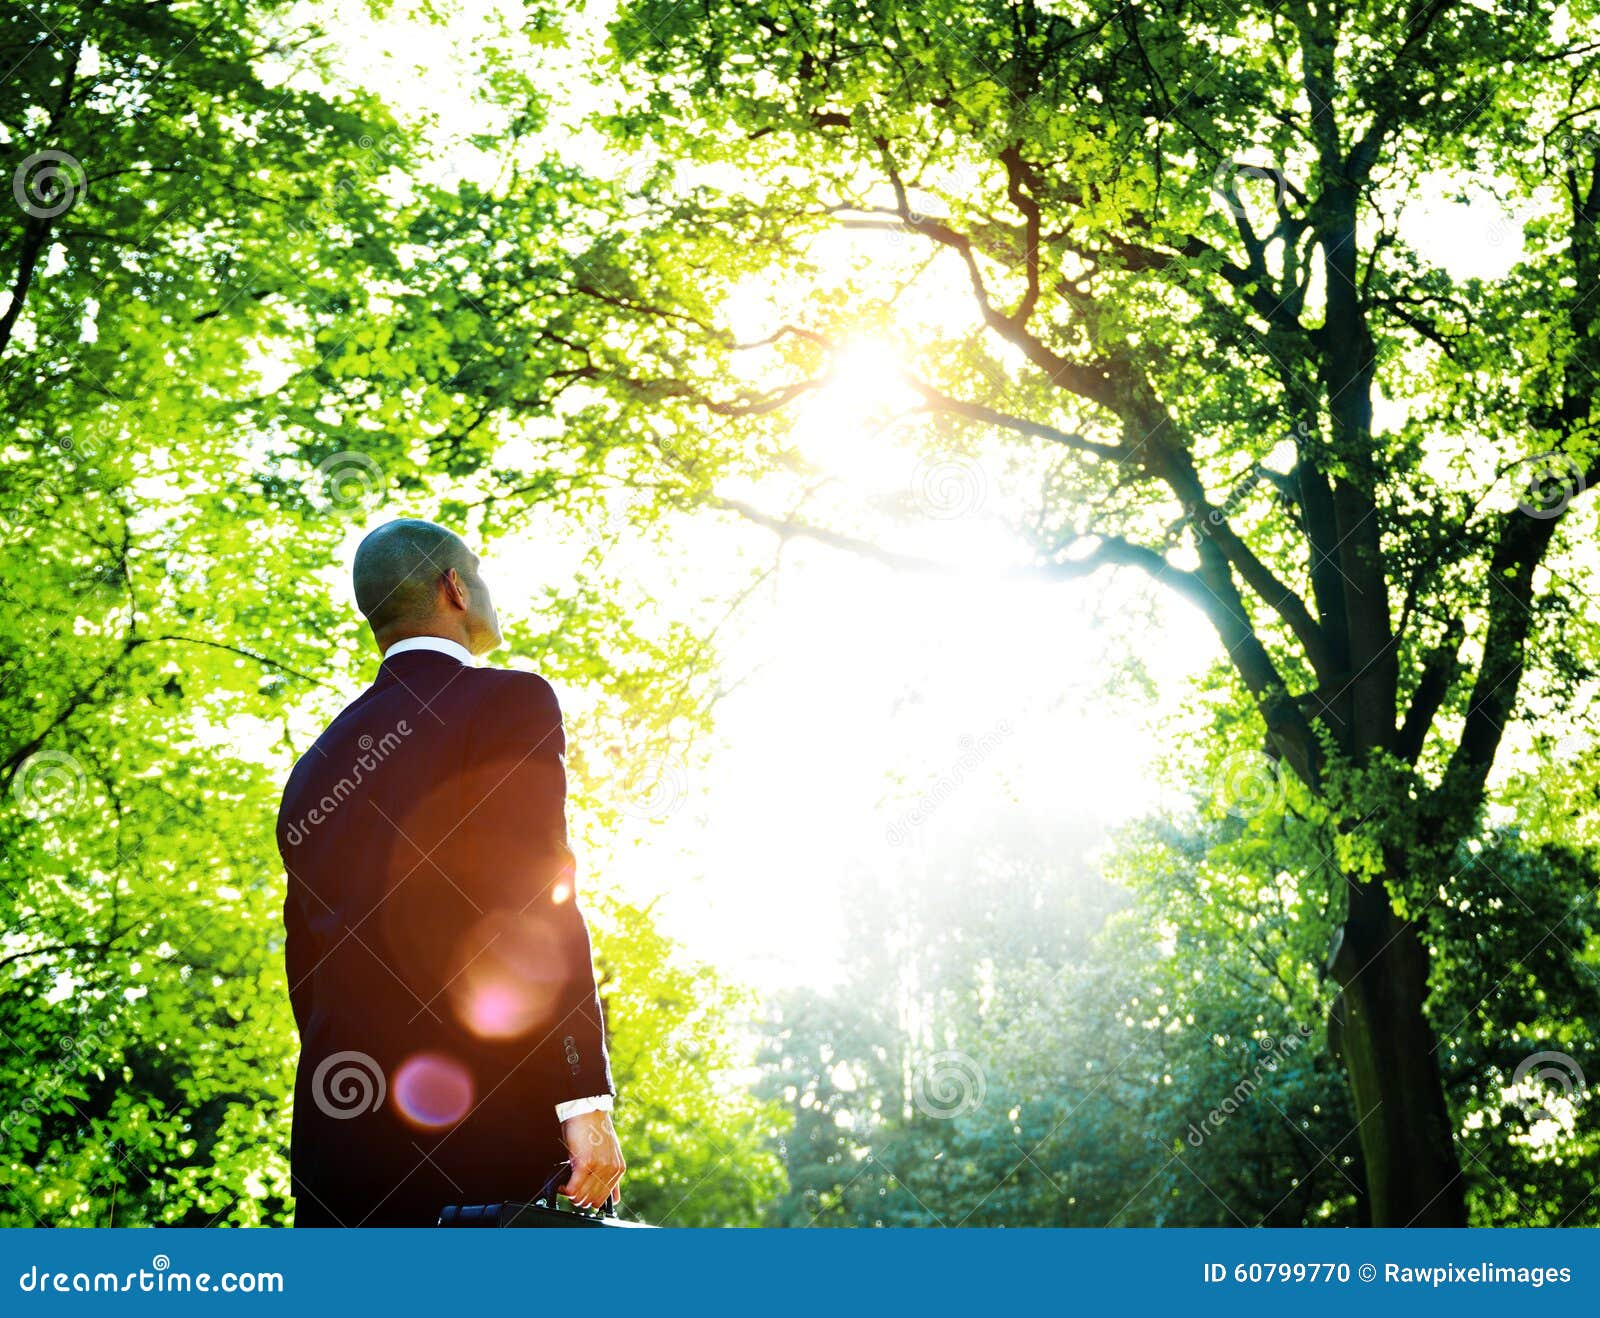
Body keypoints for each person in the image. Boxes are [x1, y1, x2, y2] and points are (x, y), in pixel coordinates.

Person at [277, 518, 625, 1226]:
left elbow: (305, 972)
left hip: (337, 1157)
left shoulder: (311, 770)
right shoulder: (510, 703)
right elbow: (537, 900)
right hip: (486, 1138)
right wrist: (583, 1099)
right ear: (456, 588)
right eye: (482, 576)